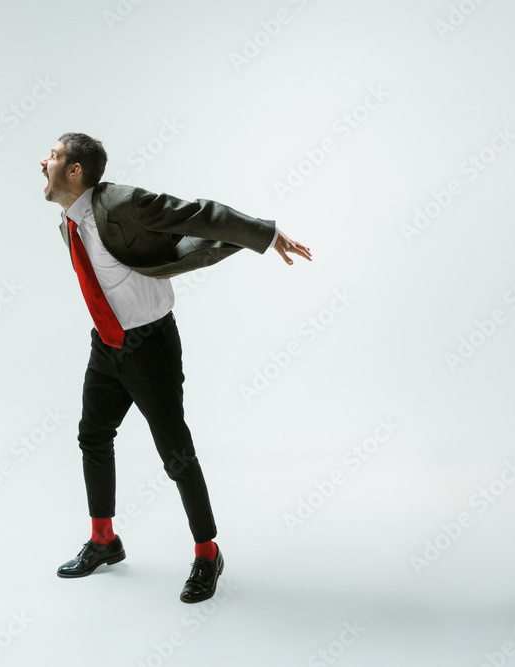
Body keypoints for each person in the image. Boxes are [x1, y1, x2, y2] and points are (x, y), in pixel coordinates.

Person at [42, 132, 311, 603]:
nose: (41, 162)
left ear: (74, 171)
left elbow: (198, 213)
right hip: (107, 345)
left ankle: (208, 553)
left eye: (52, 156)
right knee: (92, 435)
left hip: (150, 347)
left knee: (176, 452)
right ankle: (104, 540)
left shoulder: (120, 203)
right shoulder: (67, 223)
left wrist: (265, 236)